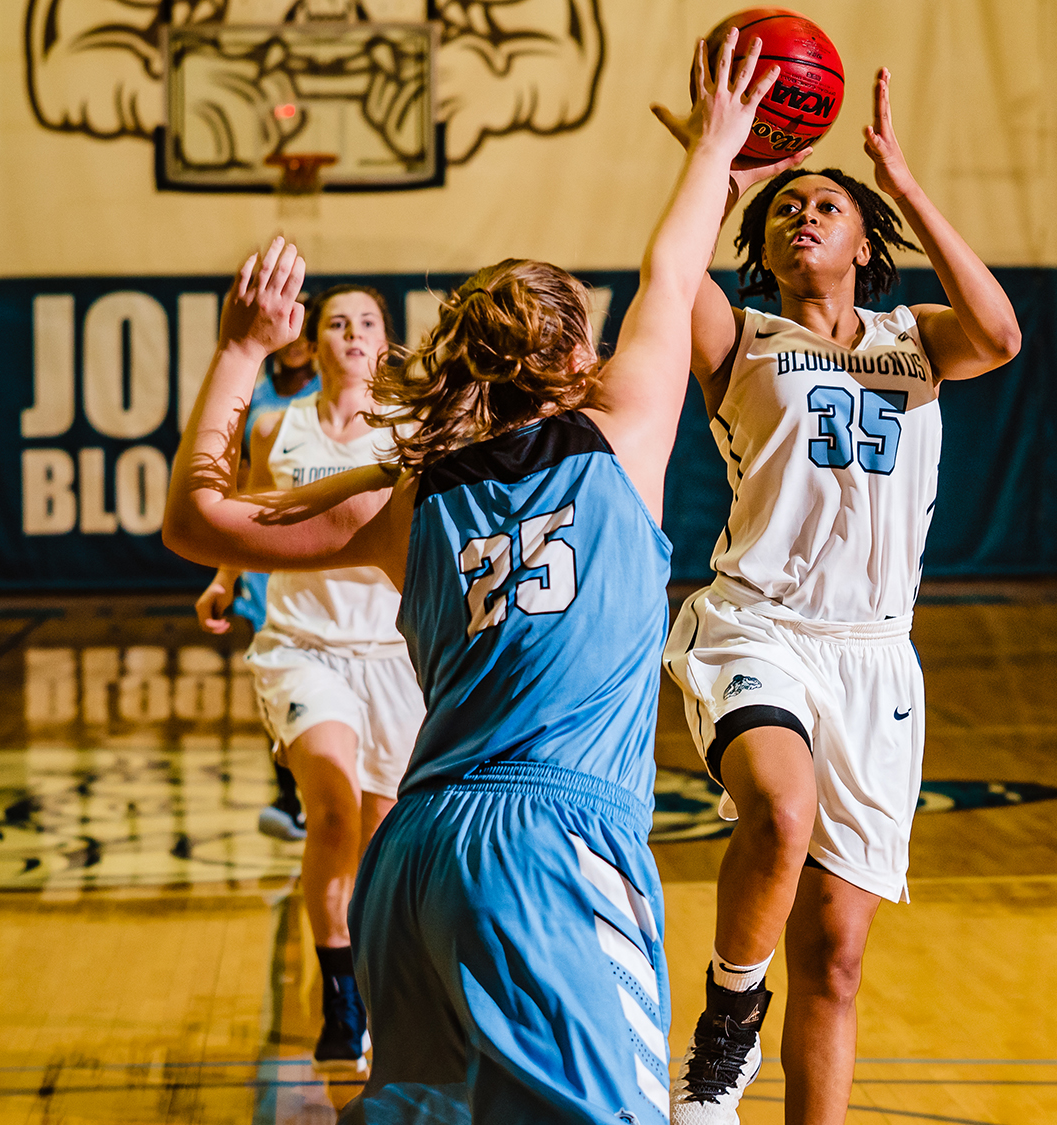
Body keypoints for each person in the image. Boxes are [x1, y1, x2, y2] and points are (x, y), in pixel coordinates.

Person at [162, 30, 796, 1122]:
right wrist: (716, 153)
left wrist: (239, 350)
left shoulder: (401, 494)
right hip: (551, 847)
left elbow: (195, 521)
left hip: (412, 858)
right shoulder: (622, 430)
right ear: (568, 359)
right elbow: (671, 270)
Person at [652, 67, 1021, 1125]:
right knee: (776, 808)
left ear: (865, 241)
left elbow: (1000, 335)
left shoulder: (918, 339)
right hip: (754, 625)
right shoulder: (741, 339)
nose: (801, 216)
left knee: (839, 958)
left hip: (873, 653)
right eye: (784, 211)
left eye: (825, 206)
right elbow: (669, 272)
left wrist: (896, 179)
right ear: (762, 251)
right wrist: (715, 169)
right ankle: (726, 1023)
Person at [214, 281, 429, 1075]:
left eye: (365, 321)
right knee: (332, 806)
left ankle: (371, 978)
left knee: (378, 841)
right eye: (336, 321)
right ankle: (340, 992)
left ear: (382, 341)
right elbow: (246, 507)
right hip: (302, 644)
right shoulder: (278, 422)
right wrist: (224, 576)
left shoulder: (412, 431)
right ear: (319, 338)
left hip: (393, 655)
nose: (350, 333)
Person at [194, 321, 321, 842]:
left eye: (307, 336)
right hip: (269, 558)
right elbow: (250, 483)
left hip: (326, 567)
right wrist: (227, 570)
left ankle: (338, 792)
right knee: (276, 680)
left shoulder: (338, 397)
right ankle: (291, 798)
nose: (298, 346)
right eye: (292, 335)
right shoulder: (259, 399)